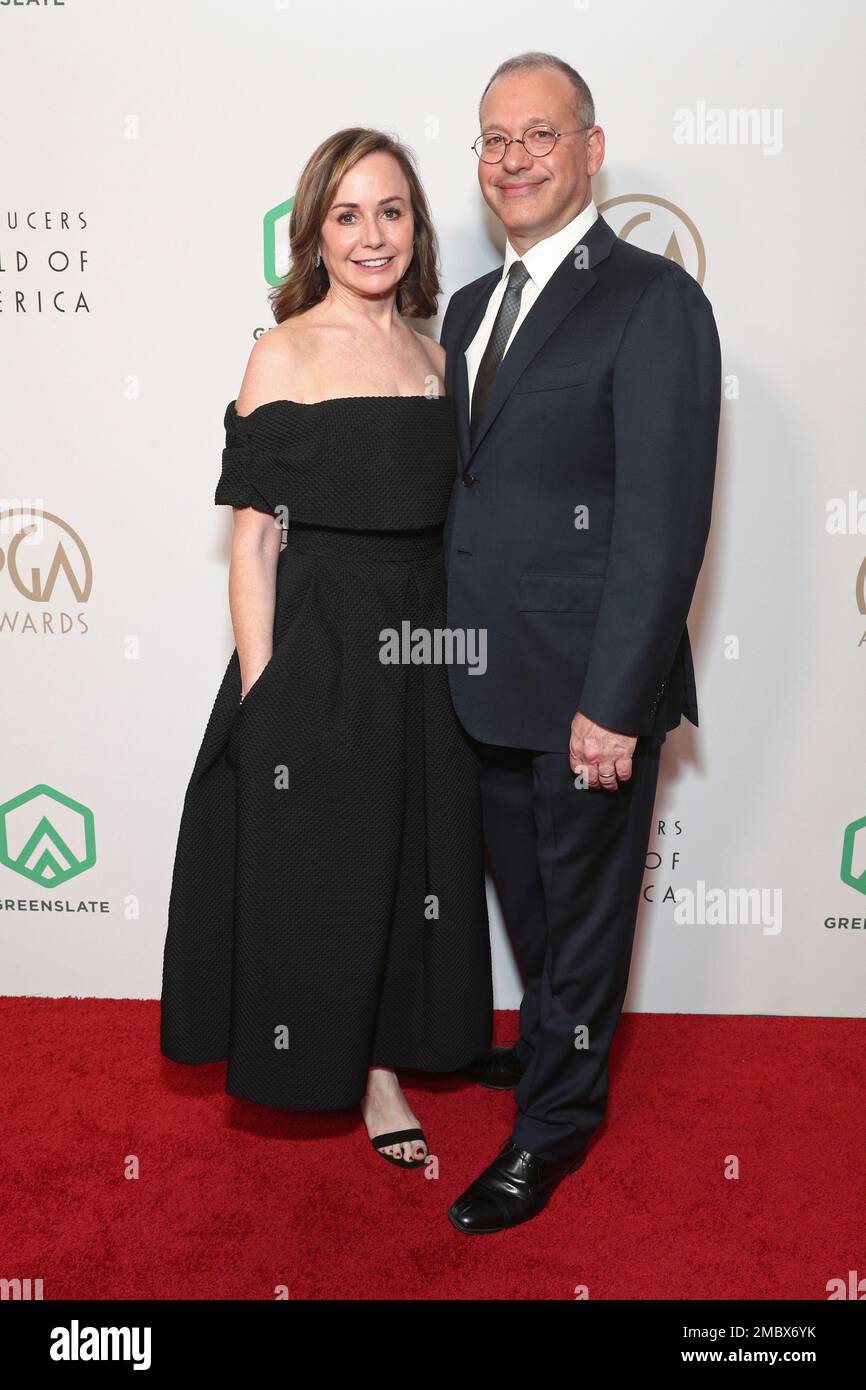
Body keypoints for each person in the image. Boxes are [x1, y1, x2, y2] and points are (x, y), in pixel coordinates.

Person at [160, 128, 492, 1168]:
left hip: (423, 641)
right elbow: (253, 543)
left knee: (411, 859)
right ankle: (323, 1061)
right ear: (314, 231)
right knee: (328, 867)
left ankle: (386, 1069)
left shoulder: (442, 361)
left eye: (389, 210)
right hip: (320, 644)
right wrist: (265, 696)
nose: (370, 234)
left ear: (417, 226)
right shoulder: (284, 352)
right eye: (346, 214)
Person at [440, 53, 721, 1232]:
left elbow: (660, 527)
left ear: (589, 152)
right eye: (494, 139)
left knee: (586, 911)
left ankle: (552, 1126)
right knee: (538, 912)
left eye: (538, 135)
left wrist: (613, 702)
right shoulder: (466, 308)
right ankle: (555, 1040)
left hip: (585, 697)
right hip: (480, 684)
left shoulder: (652, 302)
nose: (513, 157)